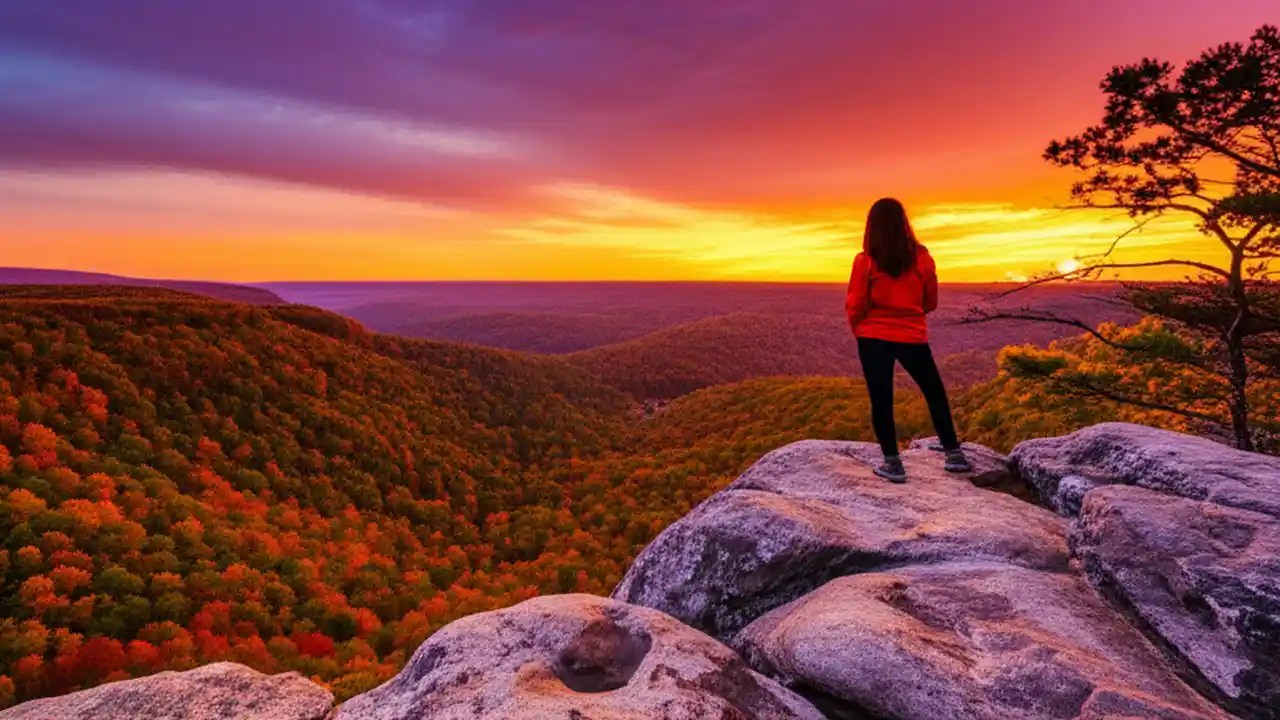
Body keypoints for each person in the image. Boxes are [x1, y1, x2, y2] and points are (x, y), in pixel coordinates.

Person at [845, 197, 971, 482]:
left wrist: (861, 330)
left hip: (873, 336)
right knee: (934, 391)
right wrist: (910, 315)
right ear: (904, 223)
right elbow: (931, 300)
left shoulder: (866, 261)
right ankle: (953, 453)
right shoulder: (922, 257)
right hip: (913, 334)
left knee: (881, 399)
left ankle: (893, 463)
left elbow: (855, 303)